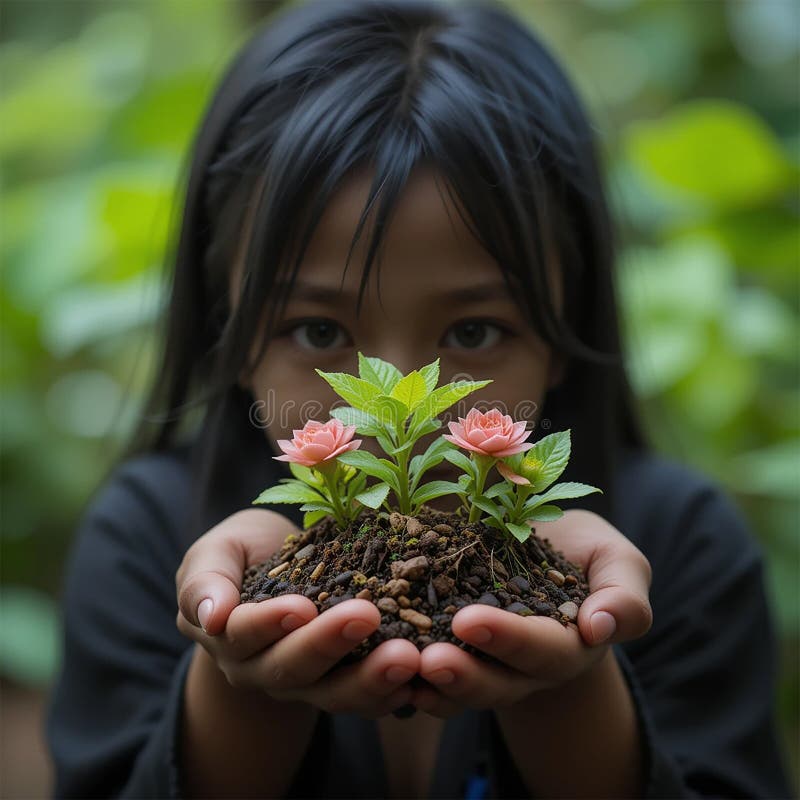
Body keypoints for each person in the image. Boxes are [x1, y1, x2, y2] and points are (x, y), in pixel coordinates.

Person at [45, 0, 795, 798]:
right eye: (315, 330)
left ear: (564, 322)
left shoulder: (679, 551)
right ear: (226, 327)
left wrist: (572, 678)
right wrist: (240, 682)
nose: (403, 405)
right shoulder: (145, 542)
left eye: (473, 332)